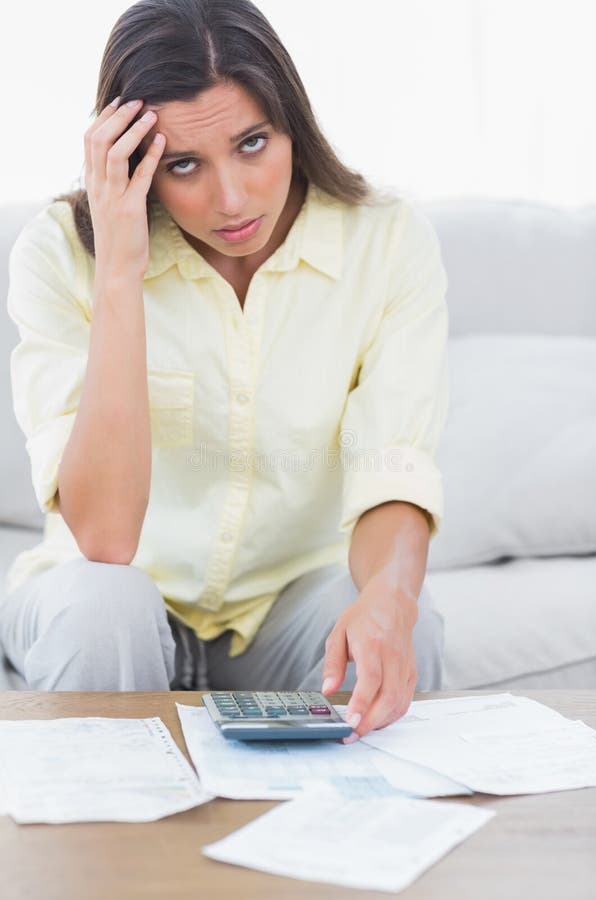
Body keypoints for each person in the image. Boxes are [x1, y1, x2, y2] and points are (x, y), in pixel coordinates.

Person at [1, 0, 449, 743]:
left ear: (292, 124)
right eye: (184, 165)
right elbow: (105, 538)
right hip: (112, 601)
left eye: (252, 143)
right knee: (101, 606)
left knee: (408, 616)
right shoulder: (57, 254)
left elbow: (393, 463)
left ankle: (352, 822)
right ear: (135, 162)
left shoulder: (387, 240)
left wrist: (392, 598)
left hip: (283, 609)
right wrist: (120, 271)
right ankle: (111, 820)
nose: (232, 200)